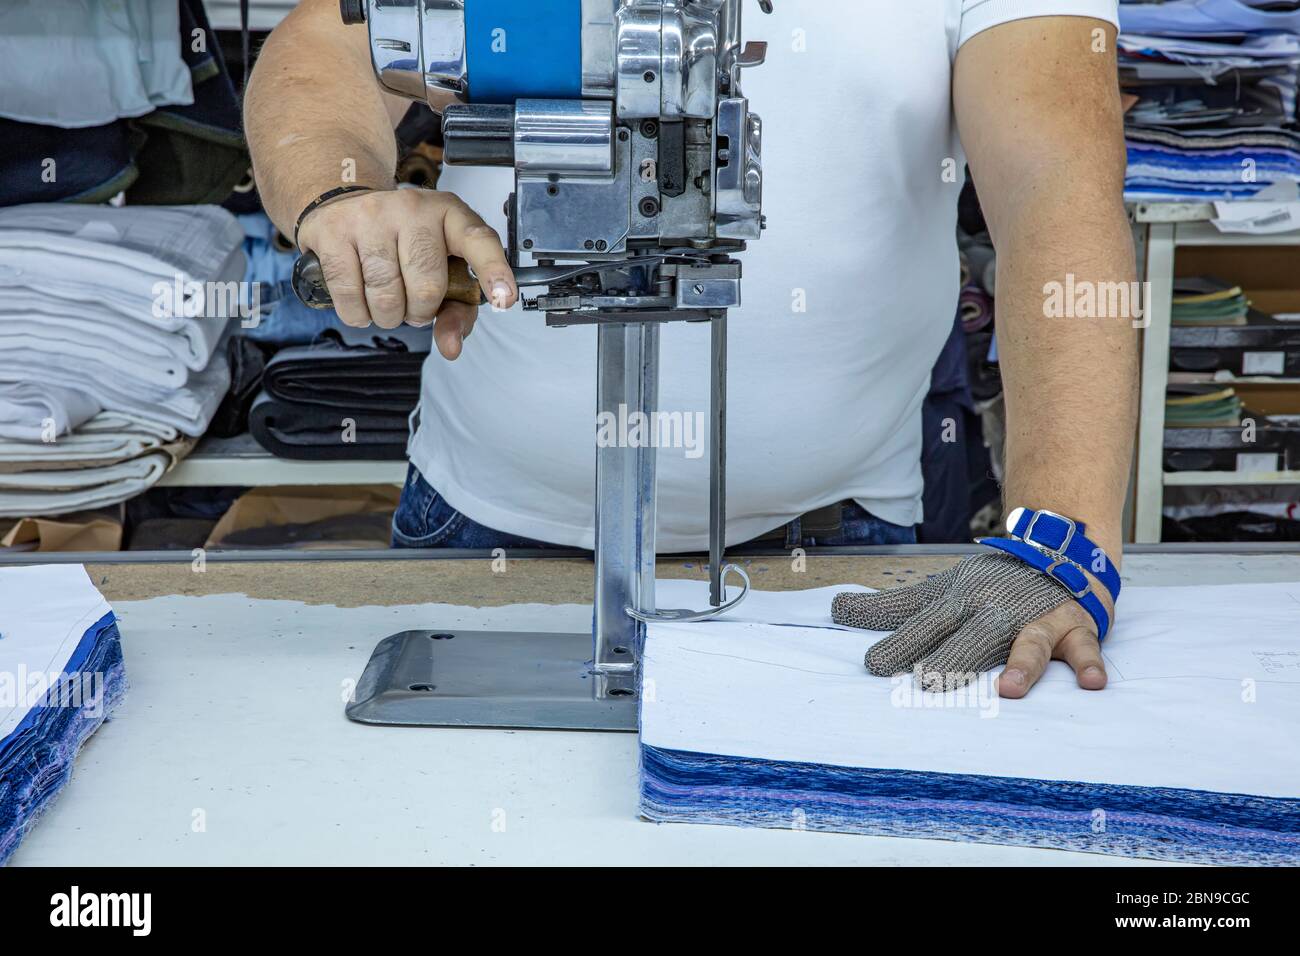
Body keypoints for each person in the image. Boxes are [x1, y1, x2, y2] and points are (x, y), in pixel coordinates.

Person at [245, 0, 1137, 697]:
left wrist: (1060, 538)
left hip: (837, 546)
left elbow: (1054, 187)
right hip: (487, 530)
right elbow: (336, 45)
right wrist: (342, 196)